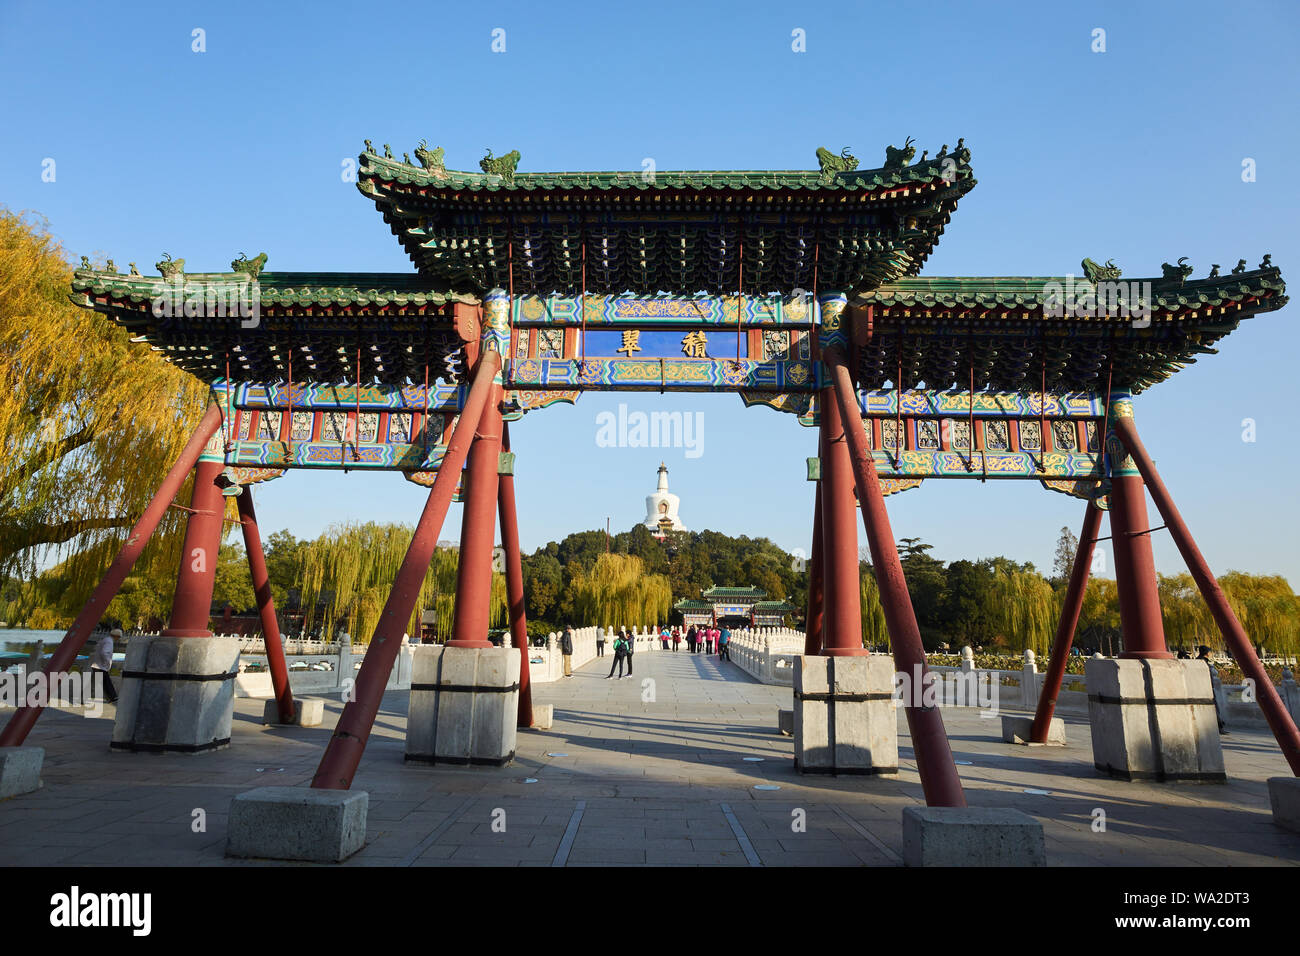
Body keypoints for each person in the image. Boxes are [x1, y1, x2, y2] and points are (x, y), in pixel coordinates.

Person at [1197, 645, 1228, 734]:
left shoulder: (1199, 661)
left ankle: (1218, 726)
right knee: (1214, 708)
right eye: (1210, 652)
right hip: (1206, 688)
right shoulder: (1203, 662)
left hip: (1203, 688)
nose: (1211, 653)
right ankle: (1219, 727)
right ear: (1206, 653)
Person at [91, 628, 120, 704]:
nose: (119, 639)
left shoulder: (105, 640)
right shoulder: (109, 642)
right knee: (103, 682)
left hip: (98, 665)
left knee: (104, 682)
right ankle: (112, 697)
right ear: (116, 636)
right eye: (119, 637)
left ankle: (112, 697)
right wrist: (108, 662)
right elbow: (104, 652)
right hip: (101, 666)